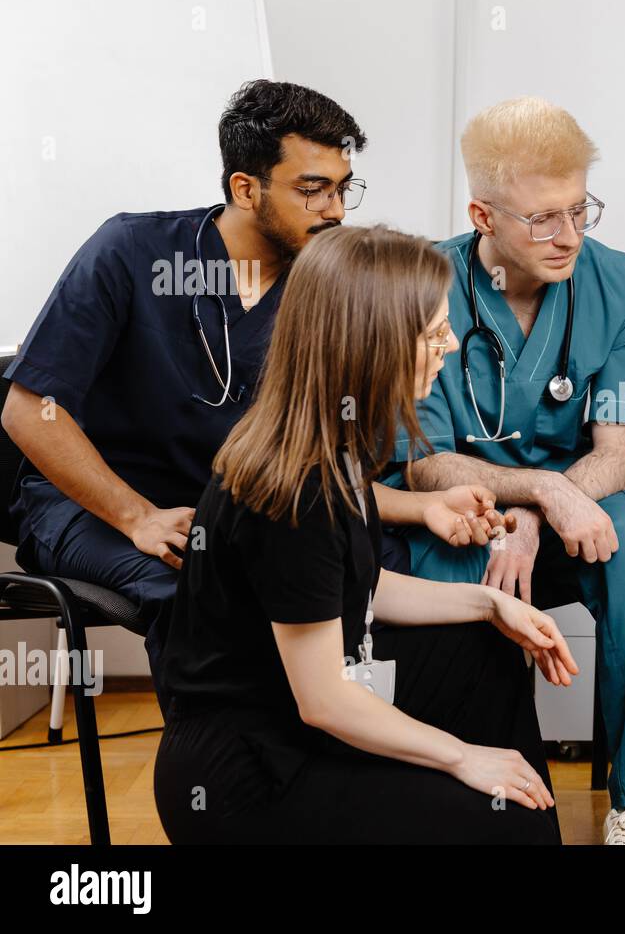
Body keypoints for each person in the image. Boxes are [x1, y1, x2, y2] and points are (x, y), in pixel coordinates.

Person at [1, 80, 489, 698]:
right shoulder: (131, 251)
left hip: (240, 511)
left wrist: (420, 507)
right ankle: (232, 769)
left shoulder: (322, 286)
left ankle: (360, 747)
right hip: (95, 507)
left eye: (343, 188)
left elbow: (307, 466)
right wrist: (137, 516)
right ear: (245, 188)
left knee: (367, 568)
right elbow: (28, 412)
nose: (335, 210)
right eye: (312, 189)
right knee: (202, 591)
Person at [153, 225, 578, 844]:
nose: (452, 344)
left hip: (289, 713)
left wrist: (492, 603)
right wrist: (462, 756)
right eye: (434, 334)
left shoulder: (333, 443)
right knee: (507, 823)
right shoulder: (296, 489)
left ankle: (516, 794)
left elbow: (358, 586)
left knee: (486, 650)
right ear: (372, 345)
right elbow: (324, 701)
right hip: (246, 771)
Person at [380, 97, 625, 844]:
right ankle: (472, 770)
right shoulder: (423, 282)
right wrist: (528, 496)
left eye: (581, 210)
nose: (569, 235)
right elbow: (421, 466)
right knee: (445, 559)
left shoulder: (618, 281)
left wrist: (543, 512)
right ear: (483, 216)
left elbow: (621, 453)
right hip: (462, 509)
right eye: (543, 218)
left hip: (578, 502)